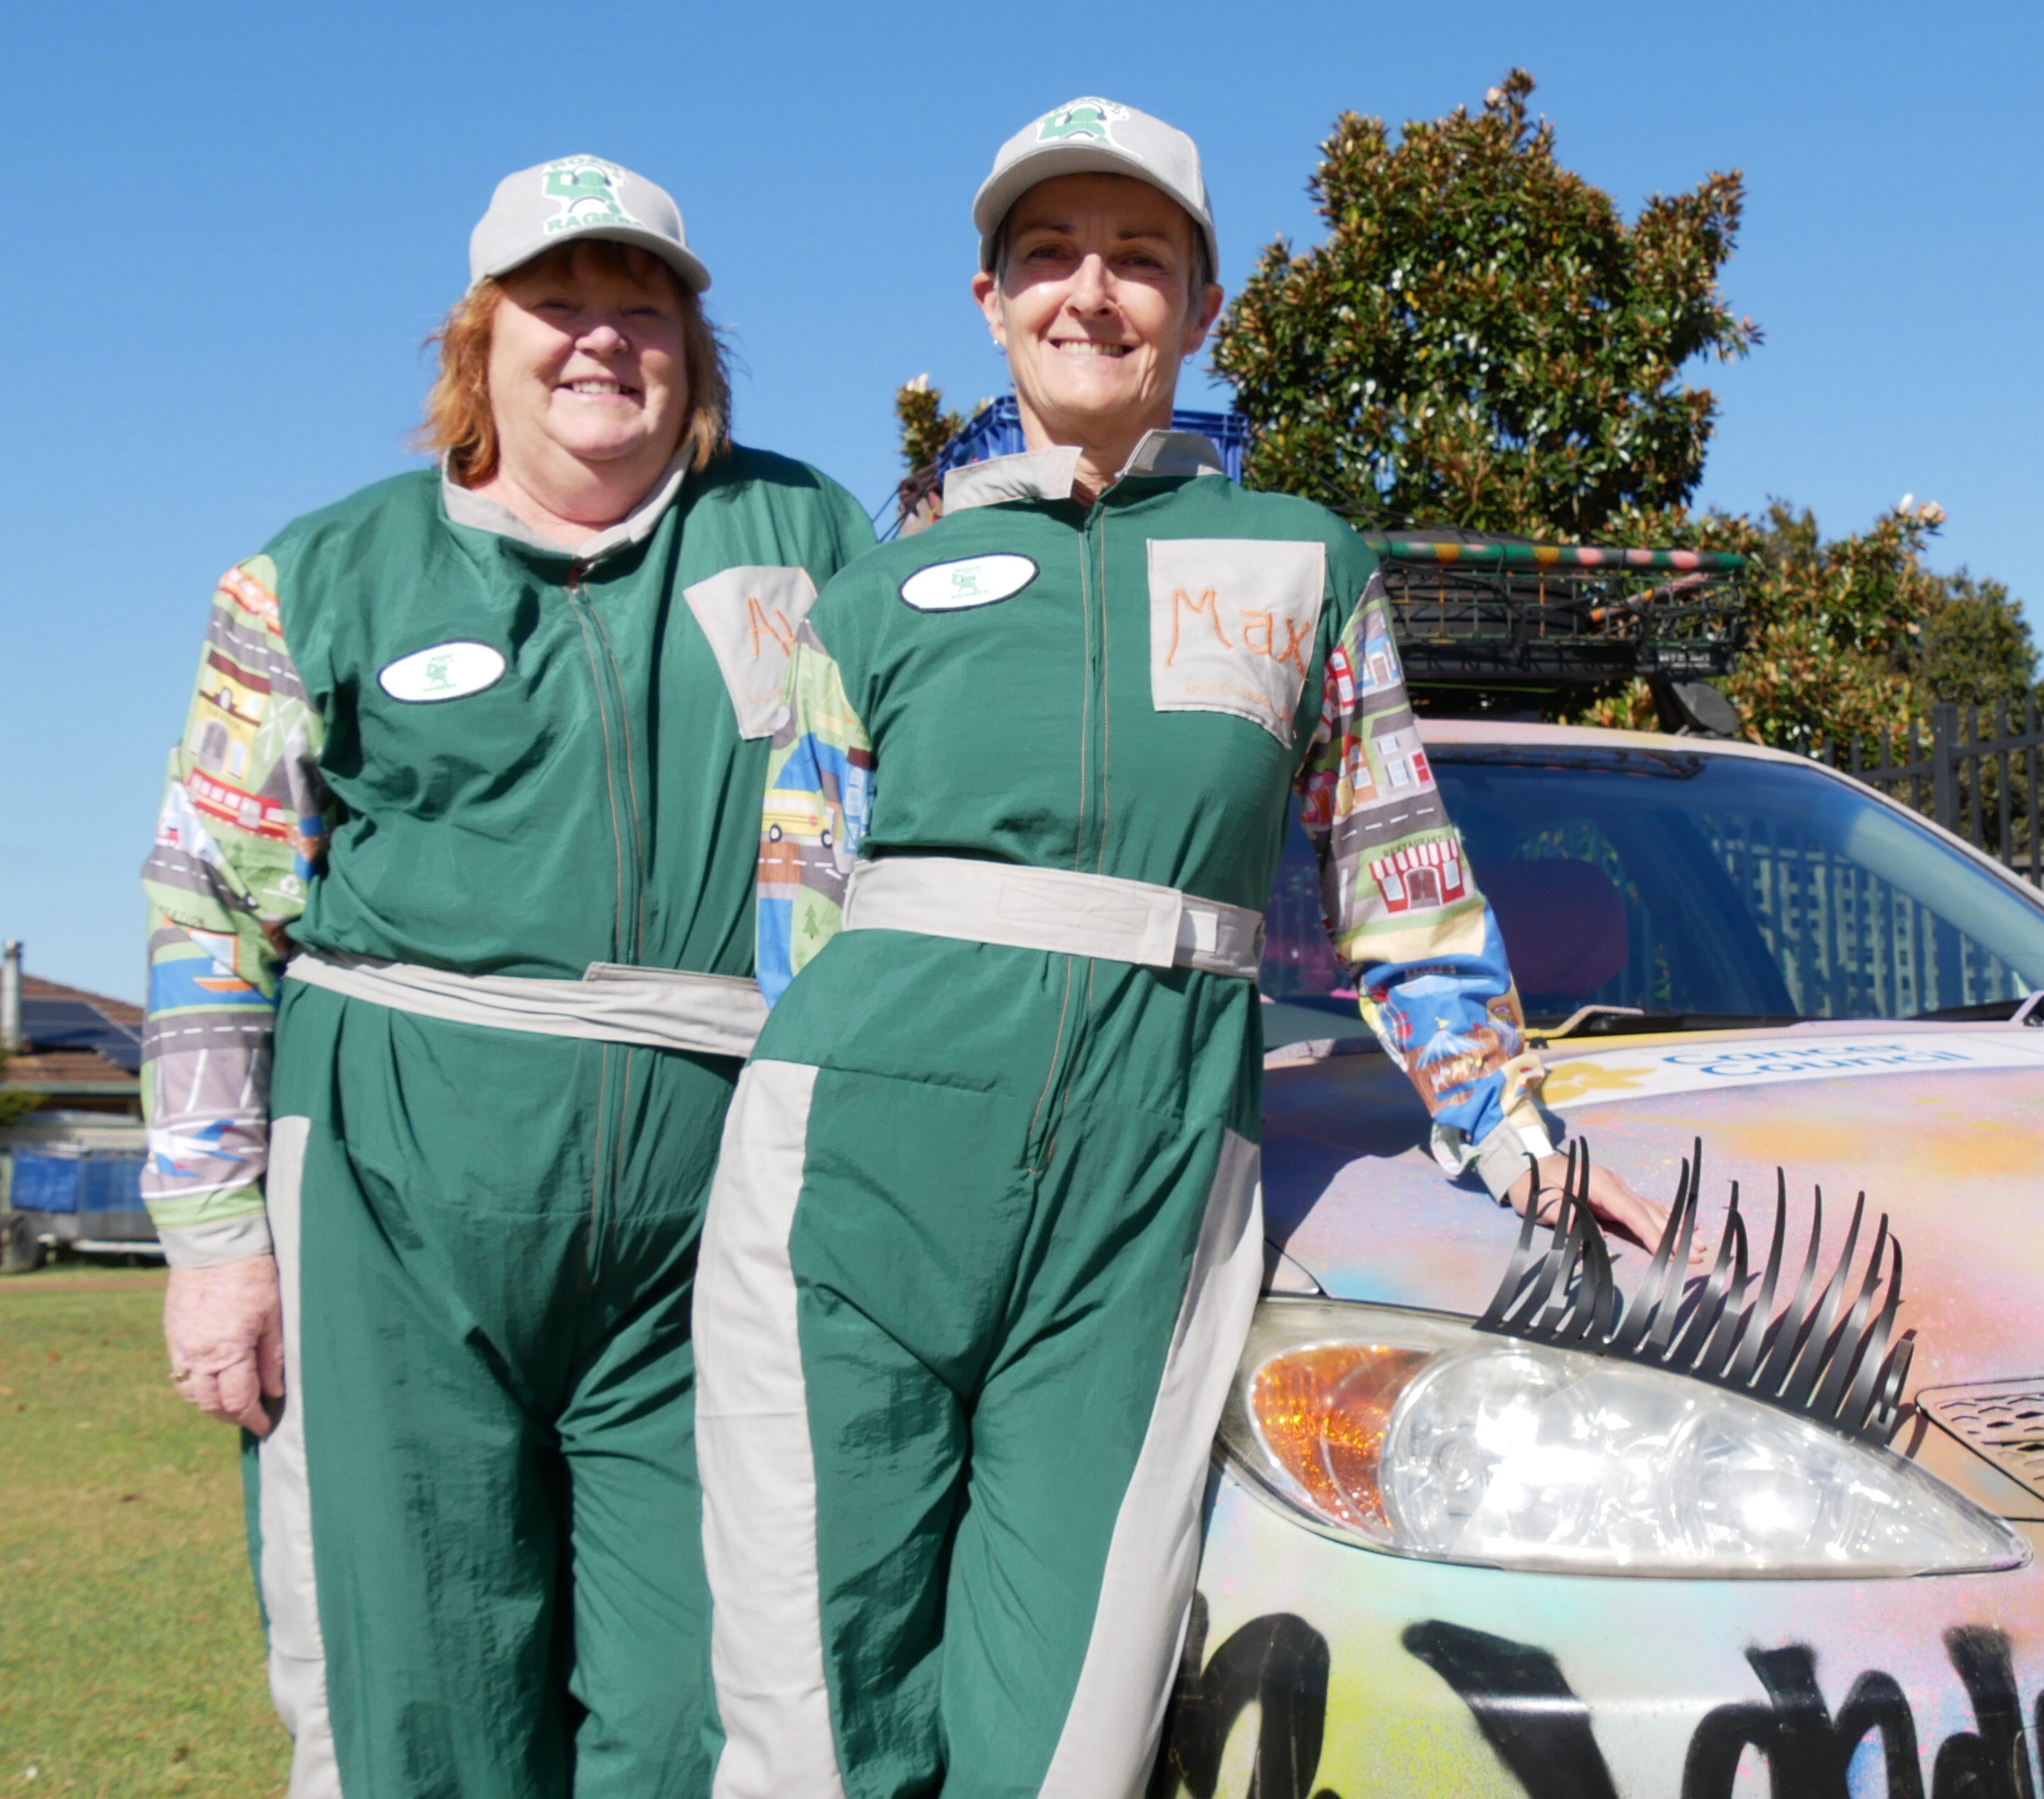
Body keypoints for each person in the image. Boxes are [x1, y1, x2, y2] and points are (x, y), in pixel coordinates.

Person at [695, 98, 1668, 1799]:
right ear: (990, 300)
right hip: (850, 1159)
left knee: (1071, 1702)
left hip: (1150, 1178)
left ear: (1200, 304)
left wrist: (1498, 1114)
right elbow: (802, 895)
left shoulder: (1299, 564)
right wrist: (802, 1105)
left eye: (1139, 258)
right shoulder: (877, 592)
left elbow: (1393, 860)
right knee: (814, 1691)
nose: (1092, 291)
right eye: (1049, 257)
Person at [139, 155, 878, 1799]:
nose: (602, 340)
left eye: (645, 305)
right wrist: (210, 1245)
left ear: (696, 343)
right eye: (559, 304)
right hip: (396, 1205)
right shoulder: (315, 576)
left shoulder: (809, 538)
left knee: (712, 1695)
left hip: (716, 1219)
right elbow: (207, 911)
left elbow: (890, 837)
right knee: (424, 1692)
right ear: (480, 343)